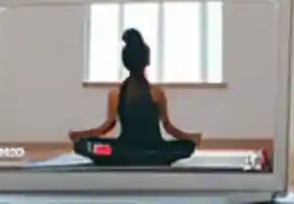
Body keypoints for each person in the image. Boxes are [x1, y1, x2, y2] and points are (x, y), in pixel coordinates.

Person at [67, 29, 202, 167]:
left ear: (125, 62)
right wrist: (190, 138)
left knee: (88, 146)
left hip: (121, 152)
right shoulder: (157, 93)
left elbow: (105, 127)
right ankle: (151, 157)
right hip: (155, 152)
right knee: (185, 146)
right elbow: (168, 127)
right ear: (147, 61)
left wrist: (82, 135)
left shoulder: (116, 94)